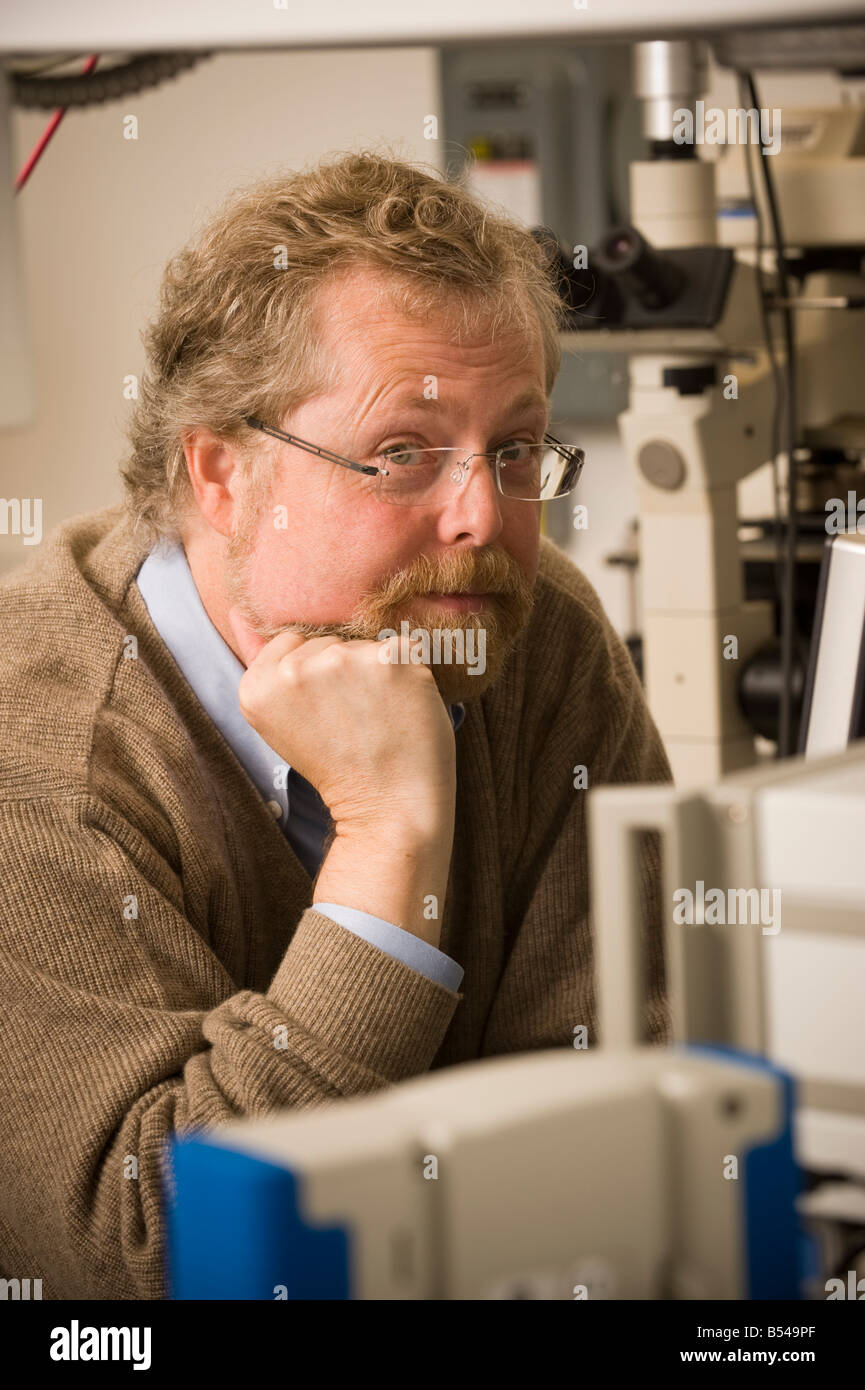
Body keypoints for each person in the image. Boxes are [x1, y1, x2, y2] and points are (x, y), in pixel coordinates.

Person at [0, 152, 671, 1299]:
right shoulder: (38, 753)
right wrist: (384, 845)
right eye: (402, 453)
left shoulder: (530, 629)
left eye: (514, 450)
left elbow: (625, 1110)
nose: (481, 517)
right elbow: (150, 1256)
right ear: (220, 471)